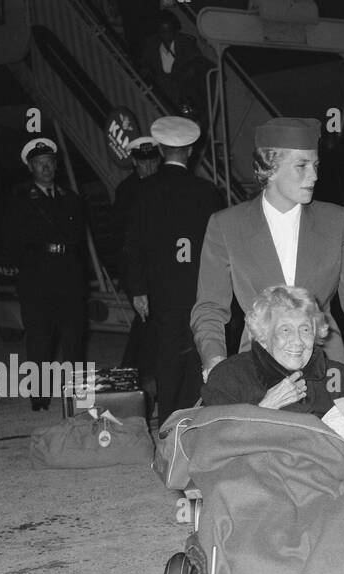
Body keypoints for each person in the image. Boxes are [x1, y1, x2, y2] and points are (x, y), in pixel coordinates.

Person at [190, 116, 344, 385]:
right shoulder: (226, 226)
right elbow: (210, 308)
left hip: (328, 371)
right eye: (301, 166)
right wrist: (215, 362)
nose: (314, 175)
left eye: (316, 165)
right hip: (256, 370)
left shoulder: (337, 222)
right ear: (269, 168)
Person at [125, 116, 226, 422]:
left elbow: (132, 245)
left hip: (161, 291)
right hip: (200, 288)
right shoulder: (207, 192)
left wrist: (138, 289)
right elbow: (219, 246)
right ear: (191, 150)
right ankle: (194, 419)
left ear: (160, 149)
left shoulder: (144, 191)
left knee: (167, 357)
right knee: (200, 352)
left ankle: (169, 421)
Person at [1, 136, 88, 410]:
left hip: (69, 275)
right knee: (39, 340)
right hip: (36, 276)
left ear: (56, 165)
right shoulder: (21, 200)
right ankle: (39, 398)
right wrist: (11, 265)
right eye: (39, 164)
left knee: (74, 340)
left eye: (50, 163)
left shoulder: (71, 199)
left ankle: (77, 397)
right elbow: (10, 239)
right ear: (31, 168)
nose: (46, 168)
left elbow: (79, 240)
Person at [202, 285, 344, 416]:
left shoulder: (340, 378)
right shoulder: (229, 377)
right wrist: (264, 409)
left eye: (305, 330)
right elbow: (213, 442)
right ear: (263, 335)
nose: (297, 341)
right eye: (285, 330)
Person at [115, 135, 162, 398]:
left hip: (162, 271)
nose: (149, 167)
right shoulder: (127, 191)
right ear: (134, 161)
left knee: (149, 328)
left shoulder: (165, 185)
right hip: (139, 274)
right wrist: (132, 285)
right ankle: (136, 379)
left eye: (153, 160)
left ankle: (140, 377)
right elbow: (125, 242)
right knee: (145, 326)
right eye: (143, 163)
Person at [138, 9, 206, 115]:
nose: (166, 35)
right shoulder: (151, 44)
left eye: (169, 31)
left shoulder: (187, 43)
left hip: (185, 96)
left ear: (175, 30)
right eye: (162, 31)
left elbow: (198, 63)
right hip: (161, 95)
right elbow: (144, 65)